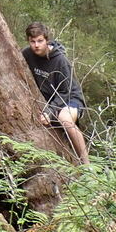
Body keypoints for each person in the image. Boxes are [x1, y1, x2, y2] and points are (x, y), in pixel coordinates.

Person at [22, 22, 89, 165]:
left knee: (65, 119)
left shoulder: (60, 60)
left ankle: (87, 165)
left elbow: (66, 91)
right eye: (32, 42)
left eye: (40, 41)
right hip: (49, 99)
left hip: (70, 98)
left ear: (46, 40)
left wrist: (50, 111)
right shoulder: (27, 54)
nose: (36, 45)